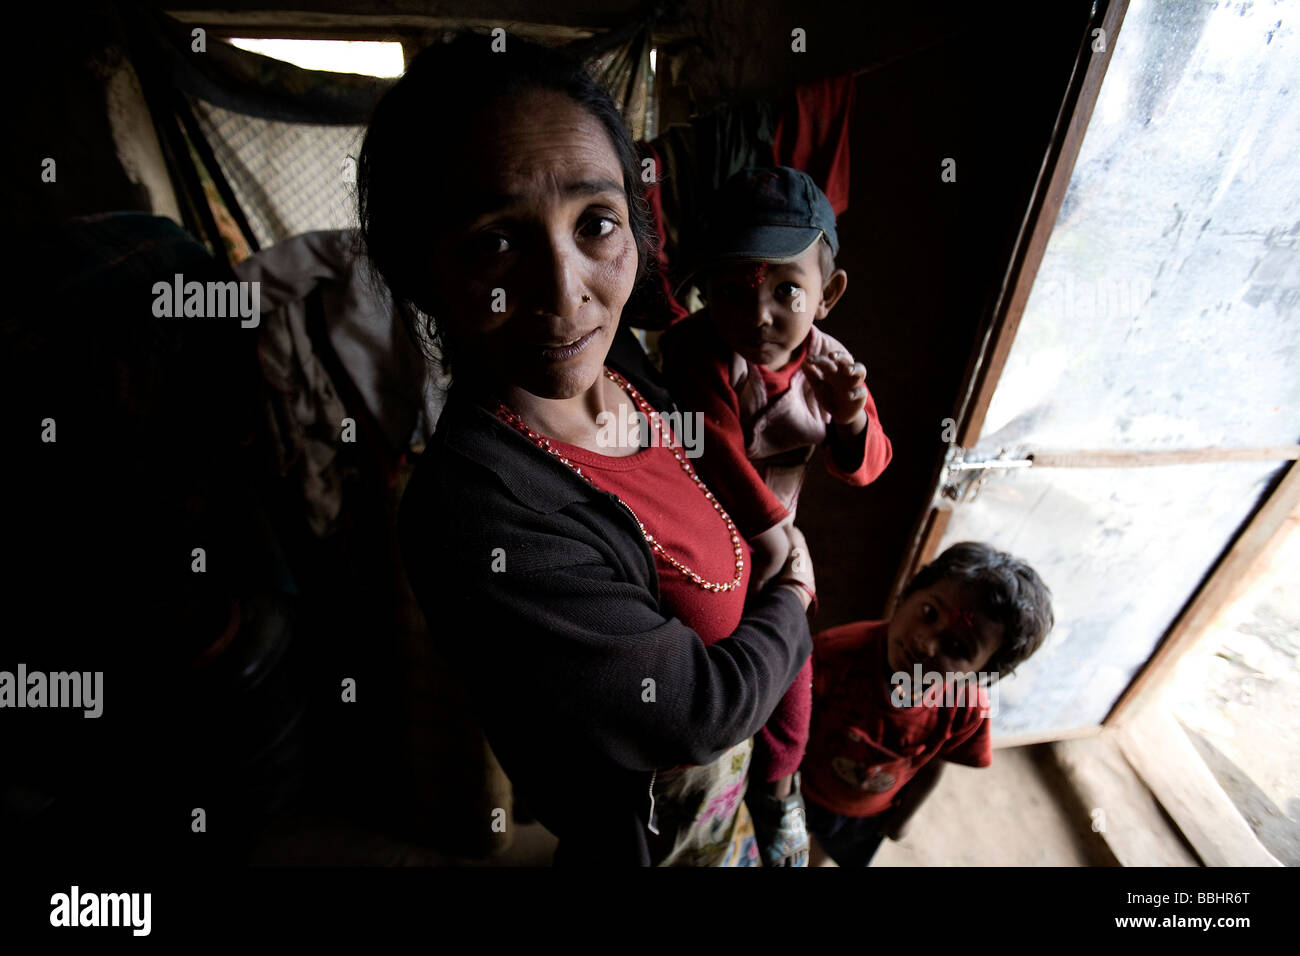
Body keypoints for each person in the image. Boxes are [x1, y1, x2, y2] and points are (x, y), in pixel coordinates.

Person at [357, 32, 816, 867]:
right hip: (649, 834)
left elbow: (696, 451)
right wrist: (792, 593)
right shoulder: (480, 515)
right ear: (422, 274)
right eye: (494, 242)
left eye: (596, 223)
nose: (565, 291)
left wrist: (765, 523)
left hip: (725, 794)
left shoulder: (629, 361)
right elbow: (696, 711)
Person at [657, 165, 893, 863]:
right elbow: (716, 453)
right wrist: (778, 546)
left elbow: (871, 463)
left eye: (786, 289)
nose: (757, 314)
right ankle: (697, 786)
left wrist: (850, 419)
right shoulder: (701, 351)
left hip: (772, 545)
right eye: (732, 292)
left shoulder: (833, 367)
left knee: (793, 674)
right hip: (699, 537)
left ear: (829, 295)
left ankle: (779, 784)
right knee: (715, 665)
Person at [800, 542, 1054, 867]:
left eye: (957, 646)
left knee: (824, 855)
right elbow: (791, 729)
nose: (925, 642)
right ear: (908, 593)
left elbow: (936, 764)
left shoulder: (965, 708)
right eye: (929, 614)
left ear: (983, 673)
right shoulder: (835, 655)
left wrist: (904, 817)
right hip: (804, 789)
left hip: (870, 813)